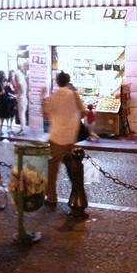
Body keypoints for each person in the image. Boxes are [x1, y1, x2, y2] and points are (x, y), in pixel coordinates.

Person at [43, 70, 90, 219]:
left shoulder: (54, 96)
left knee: (52, 169)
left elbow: (45, 113)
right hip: (71, 137)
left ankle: (51, 197)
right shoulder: (74, 95)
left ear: (57, 82)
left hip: (56, 137)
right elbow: (83, 113)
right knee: (74, 168)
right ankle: (77, 197)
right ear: (68, 80)